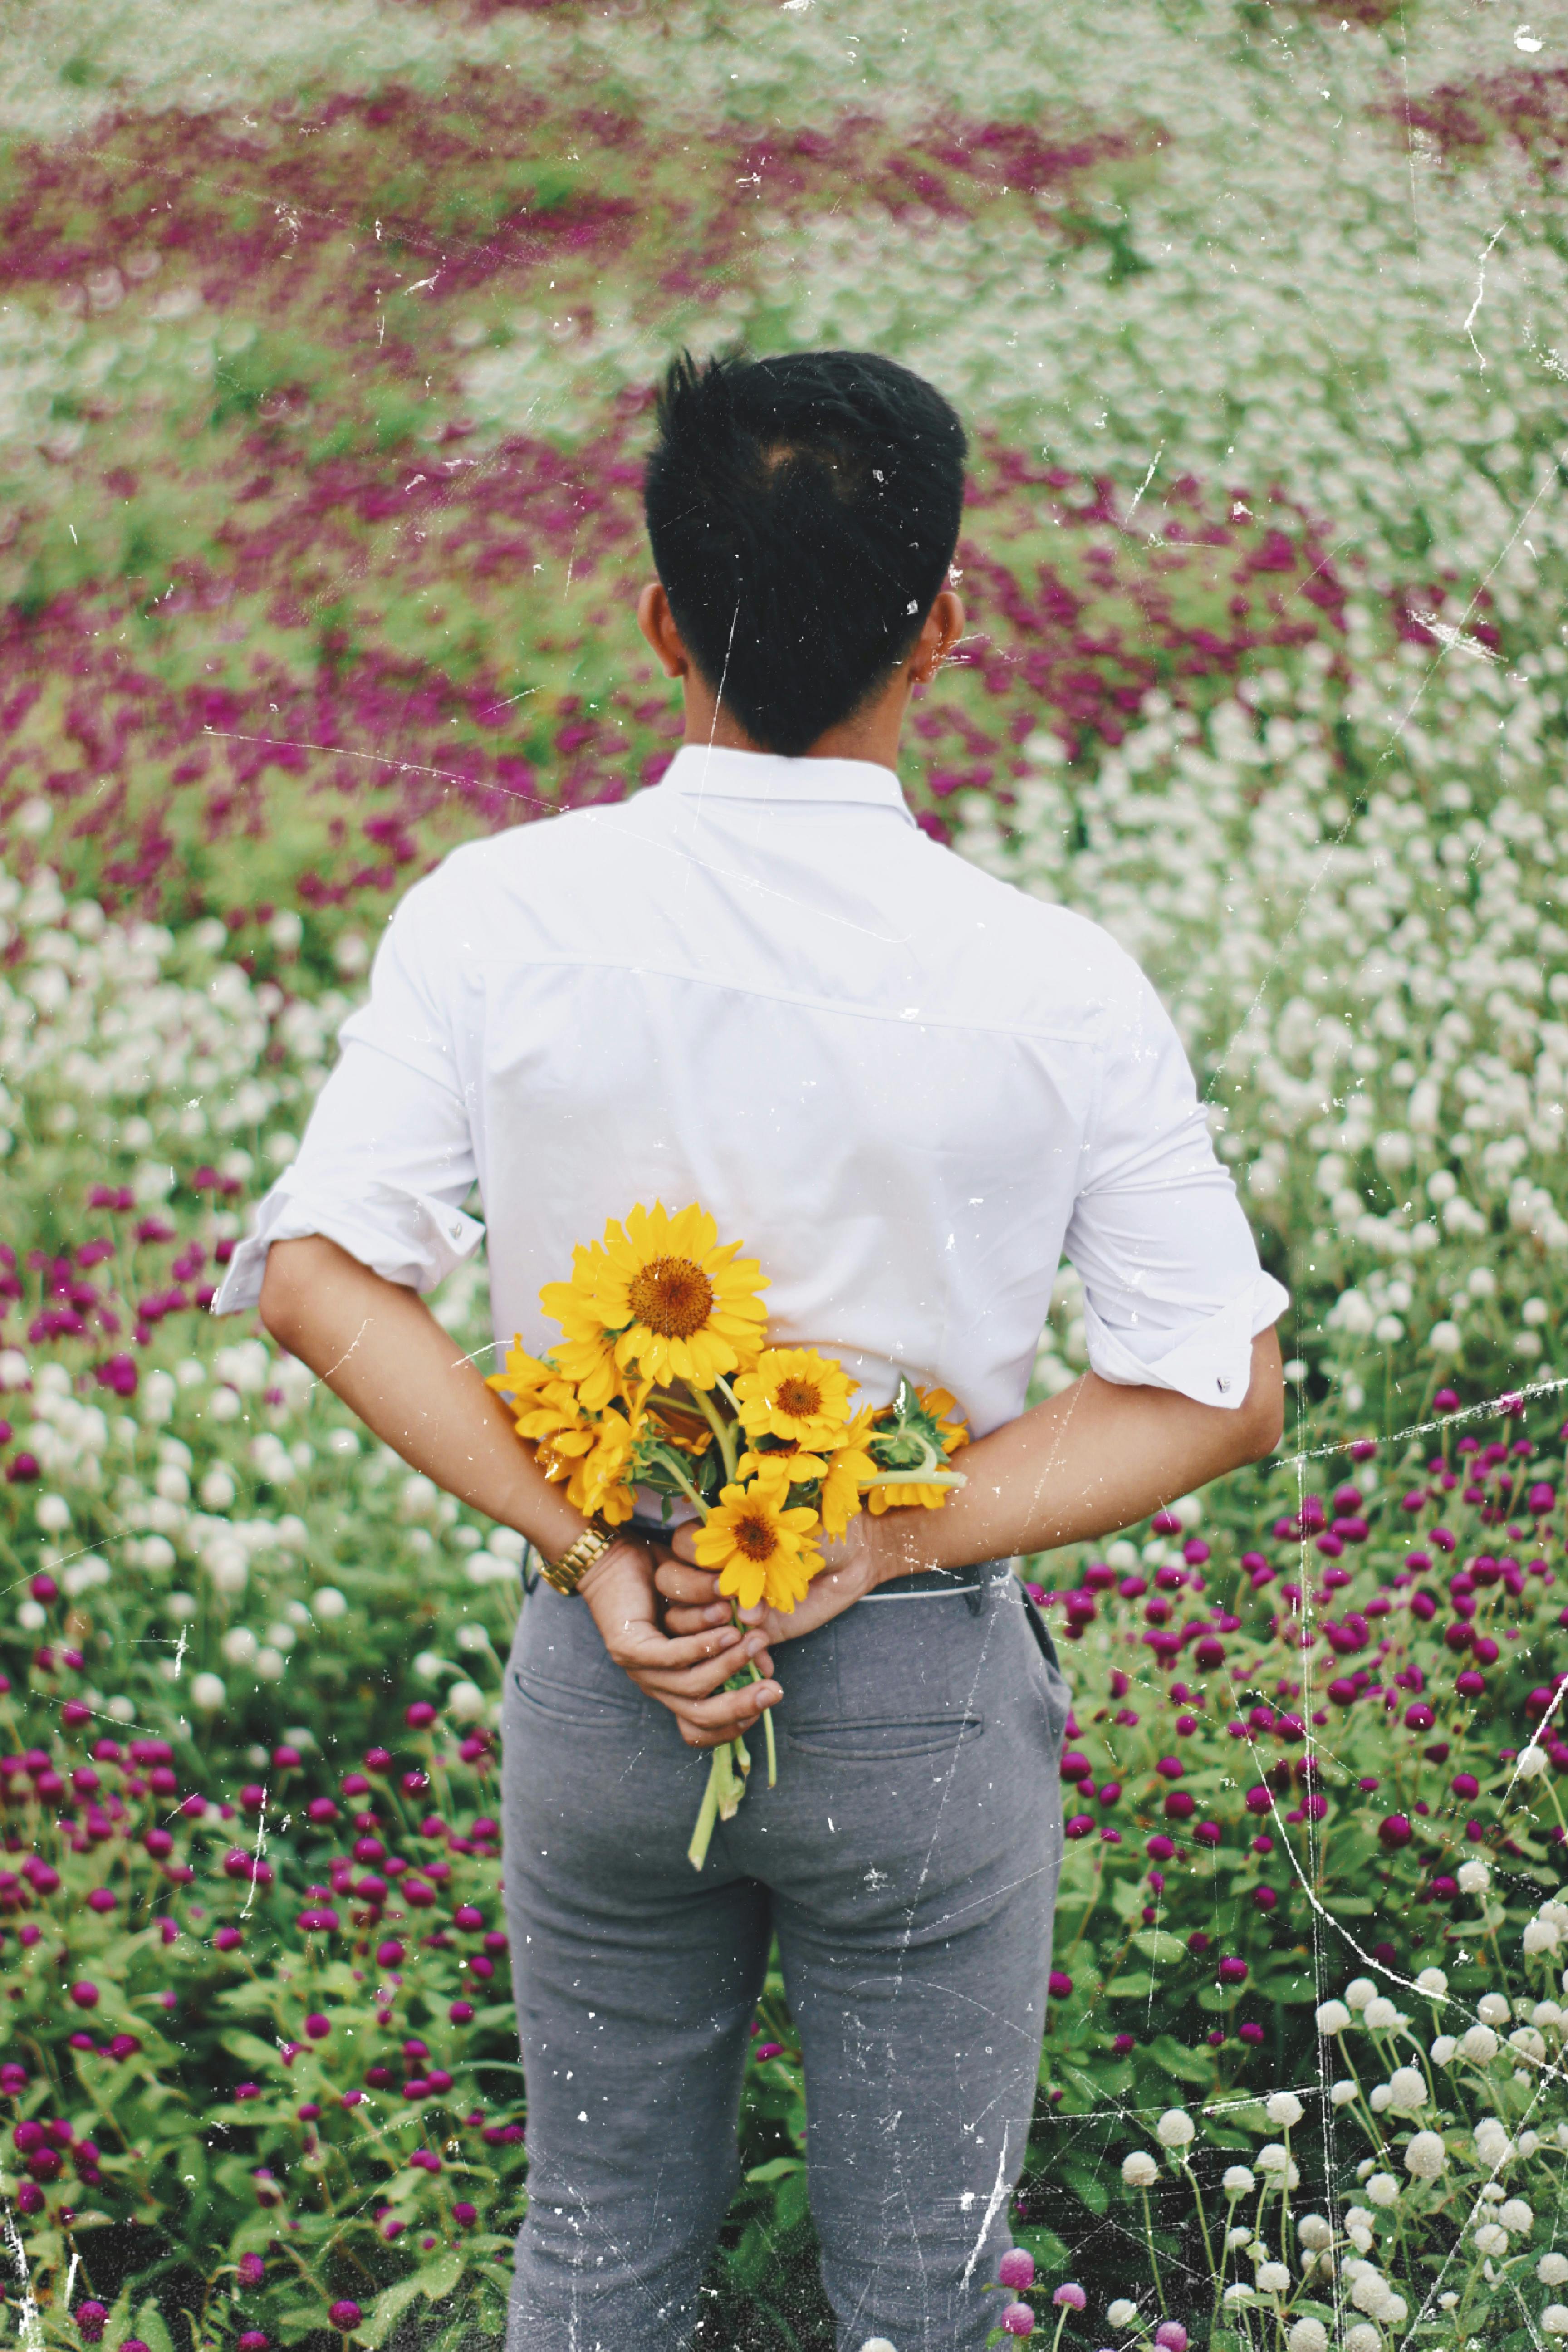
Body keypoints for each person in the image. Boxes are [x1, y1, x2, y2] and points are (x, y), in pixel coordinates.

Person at [216, 347, 1286, 2352]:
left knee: (598, 2246)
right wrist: (882, 1543)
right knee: (915, 2299)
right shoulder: (1053, 979)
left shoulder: (496, 911)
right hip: (910, 1696)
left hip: (614, 1680)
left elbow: (315, 1279)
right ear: (944, 625)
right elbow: (1224, 1390)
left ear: (657, 618)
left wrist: (585, 1546)